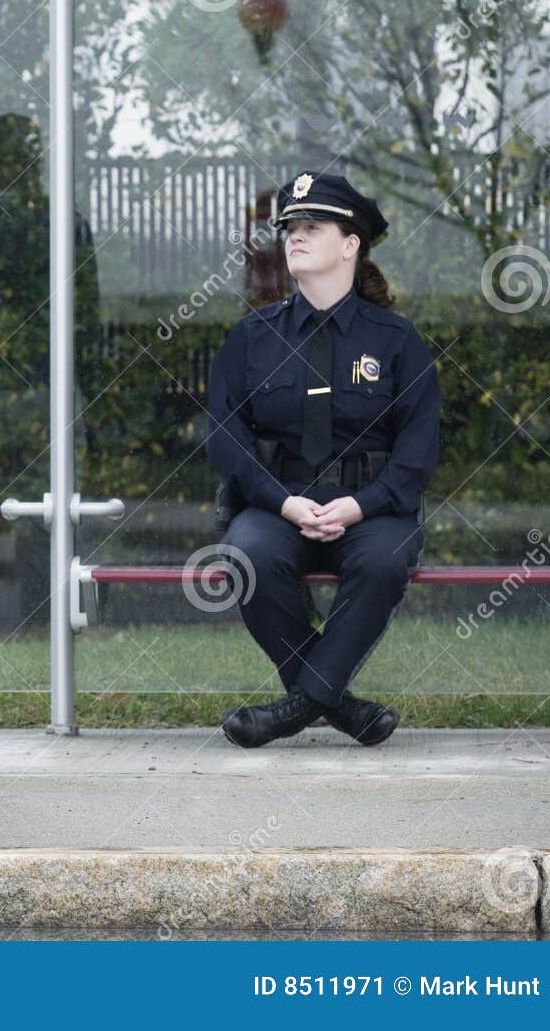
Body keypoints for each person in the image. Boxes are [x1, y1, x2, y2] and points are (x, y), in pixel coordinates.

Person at [207, 171, 440, 748]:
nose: (295, 237)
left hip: (371, 509)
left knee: (384, 562)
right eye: (291, 228)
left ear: (351, 244)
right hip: (279, 503)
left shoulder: (396, 340)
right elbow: (225, 438)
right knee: (245, 554)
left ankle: (295, 708)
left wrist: (363, 506)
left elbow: (419, 447)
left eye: (313, 227)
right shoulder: (251, 337)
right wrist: (282, 503)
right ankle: (339, 706)